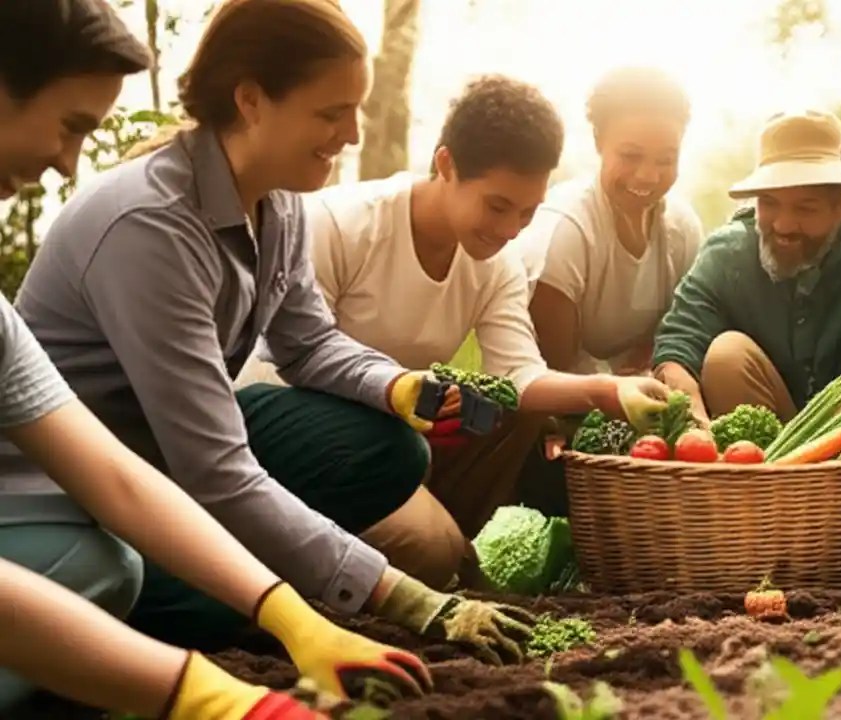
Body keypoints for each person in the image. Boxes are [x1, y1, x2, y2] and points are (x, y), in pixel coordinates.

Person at [11, 0, 535, 664]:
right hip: (85, 485)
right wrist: (412, 602)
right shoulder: (150, 228)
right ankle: (227, 580)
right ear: (252, 100)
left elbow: (309, 343)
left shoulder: (279, 204)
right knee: (210, 599)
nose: (349, 133)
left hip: (175, 459)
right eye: (330, 112)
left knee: (390, 447)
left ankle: (261, 565)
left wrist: (397, 386)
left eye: (356, 111)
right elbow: (218, 470)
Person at [236, 74, 670, 539]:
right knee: (429, 548)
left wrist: (605, 391)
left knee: (514, 416)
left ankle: (445, 534)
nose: (511, 229)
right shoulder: (339, 225)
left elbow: (518, 374)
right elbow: (293, 357)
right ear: (446, 164)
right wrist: (400, 397)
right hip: (306, 431)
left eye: (527, 212)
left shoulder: (495, 262)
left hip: (406, 432)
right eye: (497, 206)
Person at [652, 108, 841, 425]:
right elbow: (677, 345)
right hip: (754, 445)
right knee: (727, 356)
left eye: (805, 208)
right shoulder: (726, 255)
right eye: (769, 204)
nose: (783, 225)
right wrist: (694, 426)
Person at [515, 66, 704, 377]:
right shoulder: (565, 230)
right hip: (562, 397)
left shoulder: (682, 229)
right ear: (599, 140)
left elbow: (690, 332)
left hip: (654, 390)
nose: (648, 175)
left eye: (665, 160)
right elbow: (551, 366)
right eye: (631, 155)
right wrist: (616, 387)